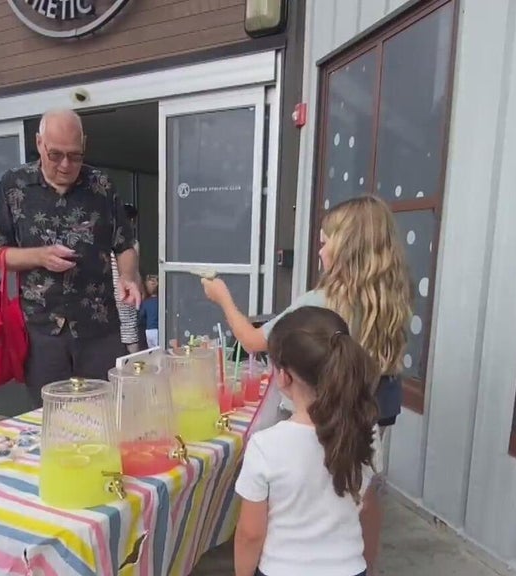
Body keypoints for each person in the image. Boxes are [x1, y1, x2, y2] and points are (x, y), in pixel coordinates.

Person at [202, 195, 412, 569]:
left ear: (345, 247)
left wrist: (223, 299)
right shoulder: (390, 303)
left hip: (311, 416)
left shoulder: (320, 301)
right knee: (355, 492)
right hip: (366, 414)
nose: (319, 251)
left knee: (298, 492)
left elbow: (252, 341)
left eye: (325, 242)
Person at [0, 108, 142, 408]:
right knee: (49, 416)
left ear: (84, 144)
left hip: (99, 328)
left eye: (75, 155)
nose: (66, 165)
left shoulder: (102, 186)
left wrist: (127, 276)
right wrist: (38, 256)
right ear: (39, 143)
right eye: (55, 155)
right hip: (42, 331)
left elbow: (124, 245)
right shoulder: (14, 185)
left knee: (107, 412)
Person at [234, 306, 379, 576]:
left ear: (283, 377)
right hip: (349, 569)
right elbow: (368, 509)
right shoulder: (362, 429)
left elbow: (250, 534)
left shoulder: (265, 445)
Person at [112, 203, 140, 353]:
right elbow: (135, 271)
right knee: (129, 328)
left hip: (117, 290)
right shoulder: (132, 244)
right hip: (123, 289)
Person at [139, 275, 159, 349]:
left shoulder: (146, 302)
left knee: (151, 350)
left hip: (149, 330)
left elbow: (141, 316)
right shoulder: (161, 302)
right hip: (158, 329)